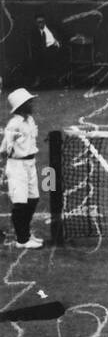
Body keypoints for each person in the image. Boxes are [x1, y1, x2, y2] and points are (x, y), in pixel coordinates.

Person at [2, 88, 43, 248]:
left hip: (30, 164)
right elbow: (5, 147)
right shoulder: (14, 124)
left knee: (33, 199)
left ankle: (26, 234)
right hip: (17, 166)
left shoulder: (30, 120)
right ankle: (22, 239)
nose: (32, 104)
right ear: (21, 106)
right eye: (28, 102)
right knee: (20, 203)